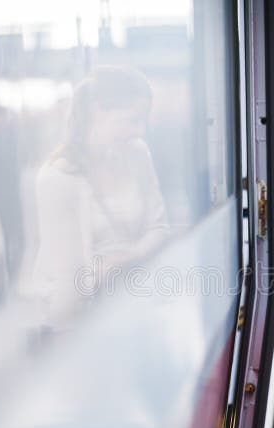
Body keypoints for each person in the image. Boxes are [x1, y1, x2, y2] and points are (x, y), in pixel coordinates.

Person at [30, 66, 169, 334]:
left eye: (143, 121)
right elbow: (67, 281)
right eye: (131, 120)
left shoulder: (137, 155)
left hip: (136, 309)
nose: (140, 131)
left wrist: (122, 258)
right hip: (83, 324)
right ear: (98, 112)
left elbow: (159, 228)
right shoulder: (57, 178)